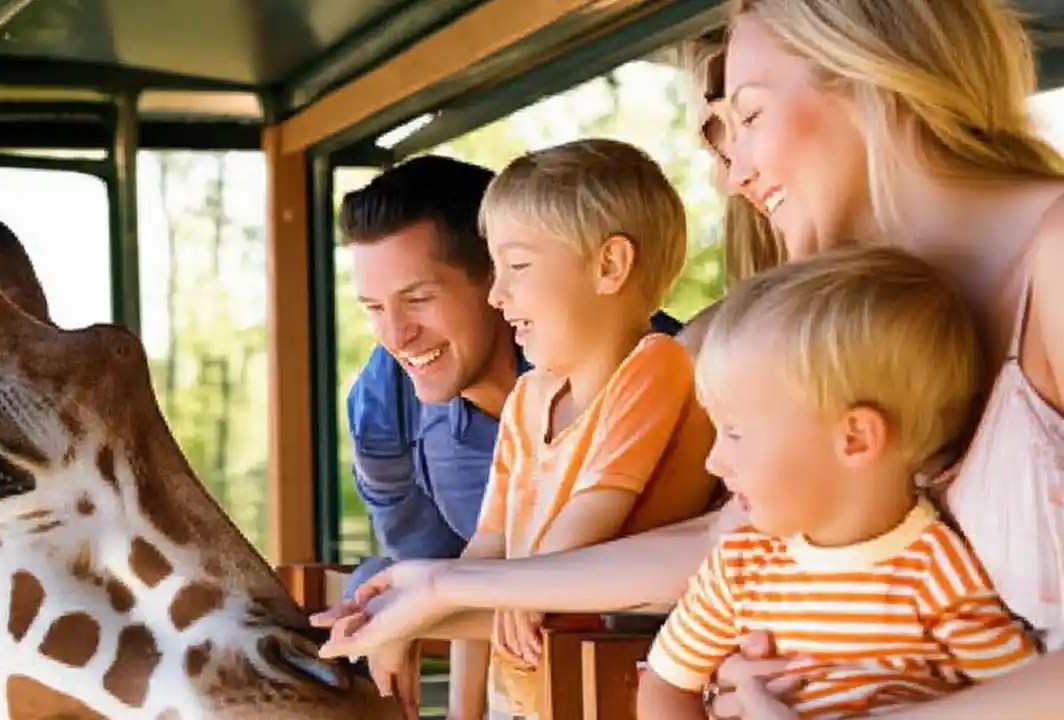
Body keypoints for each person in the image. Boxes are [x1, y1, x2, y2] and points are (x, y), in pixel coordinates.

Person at [318, 1, 1064, 716]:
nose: (734, 175)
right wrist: (442, 589)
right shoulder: (850, 319)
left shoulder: (1053, 259)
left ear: (873, 74)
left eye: (749, 115)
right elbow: (722, 543)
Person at [340, 154, 682, 711]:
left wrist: (512, 587)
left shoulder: (654, 367)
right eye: (373, 307)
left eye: (419, 298)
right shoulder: (390, 410)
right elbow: (463, 570)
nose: (394, 336)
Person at [639, 246, 1039, 718]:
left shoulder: (934, 568)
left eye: (735, 432)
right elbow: (665, 686)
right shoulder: (737, 567)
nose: (714, 462)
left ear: (854, 438)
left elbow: (1020, 697)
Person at [446, 138, 717, 719]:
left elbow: (594, 513)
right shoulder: (526, 398)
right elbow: (483, 554)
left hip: (597, 691)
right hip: (515, 698)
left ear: (610, 266)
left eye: (517, 266)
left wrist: (523, 587)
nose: (496, 295)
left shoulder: (656, 367)